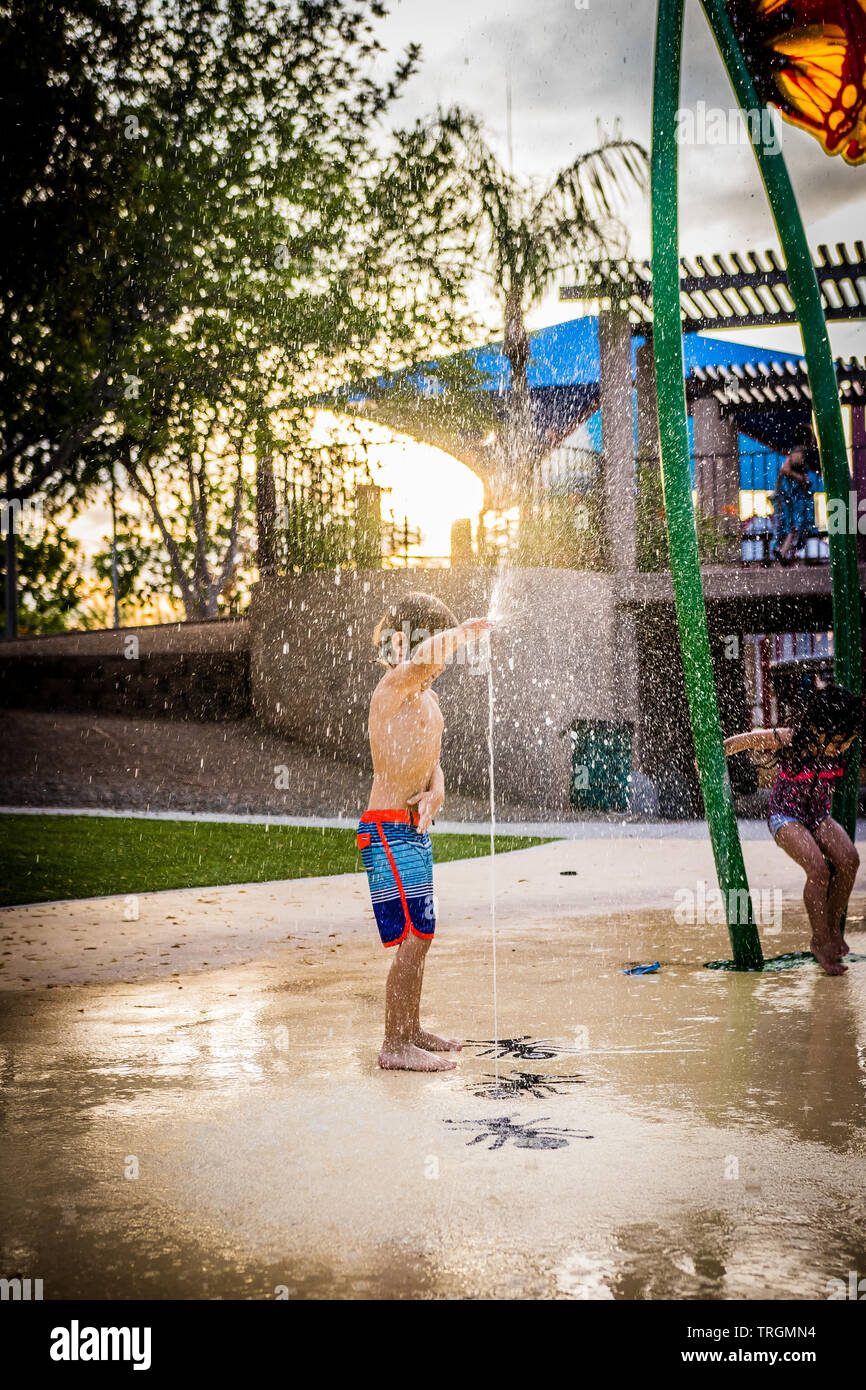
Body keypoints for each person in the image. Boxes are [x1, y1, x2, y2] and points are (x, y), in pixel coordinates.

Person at [358, 591, 493, 1070]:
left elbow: (432, 765)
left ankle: (410, 1030)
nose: (438, 664)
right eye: (432, 647)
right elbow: (421, 660)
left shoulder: (429, 702)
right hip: (385, 829)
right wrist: (461, 633)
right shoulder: (393, 689)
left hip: (412, 832)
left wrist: (438, 792)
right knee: (415, 936)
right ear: (403, 642)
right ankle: (393, 1045)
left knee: (423, 934)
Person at [723, 680, 862, 974]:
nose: (845, 746)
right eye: (841, 740)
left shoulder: (840, 746)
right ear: (818, 728)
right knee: (819, 870)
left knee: (850, 859)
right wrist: (713, 757)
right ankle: (820, 940)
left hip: (818, 817)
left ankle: (834, 929)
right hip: (785, 816)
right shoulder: (791, 739)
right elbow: (748, 740)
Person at [772, 445, 815, 564]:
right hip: (794, 496)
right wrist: (802, 479)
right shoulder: (799, 452)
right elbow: (784, 470)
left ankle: (785, 553)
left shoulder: (800, 453)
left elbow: (782, 473)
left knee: (792, 526)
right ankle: (784, 553)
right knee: (795, 526)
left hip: (794, 495)